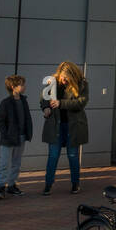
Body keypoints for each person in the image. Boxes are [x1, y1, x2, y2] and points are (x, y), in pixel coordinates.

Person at [40, 60, 88, 195]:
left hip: (73, 125)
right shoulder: (52, 82)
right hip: (56, 125)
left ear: (73, 77)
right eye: (62, 77)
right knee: (53, 156)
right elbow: (43, 99)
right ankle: (48, 184)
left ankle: (75, 183)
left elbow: (81, 103)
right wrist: (45, 108)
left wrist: (61, 103)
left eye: (67, 78)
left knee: (73, 156)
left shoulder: (82, 84)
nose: (64, 80)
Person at [0, 75, 32, 200]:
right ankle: (0, 187)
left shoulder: (23, 100)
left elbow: (26, 118)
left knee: (16, 162)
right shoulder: (6, 103)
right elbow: (0, 121)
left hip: (21, 137)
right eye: (21, 84)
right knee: (4, 163)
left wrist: (27, 132)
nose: (24, 87)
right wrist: (5, 134)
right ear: (13, 87)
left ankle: (11, 185)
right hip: (8, 138)